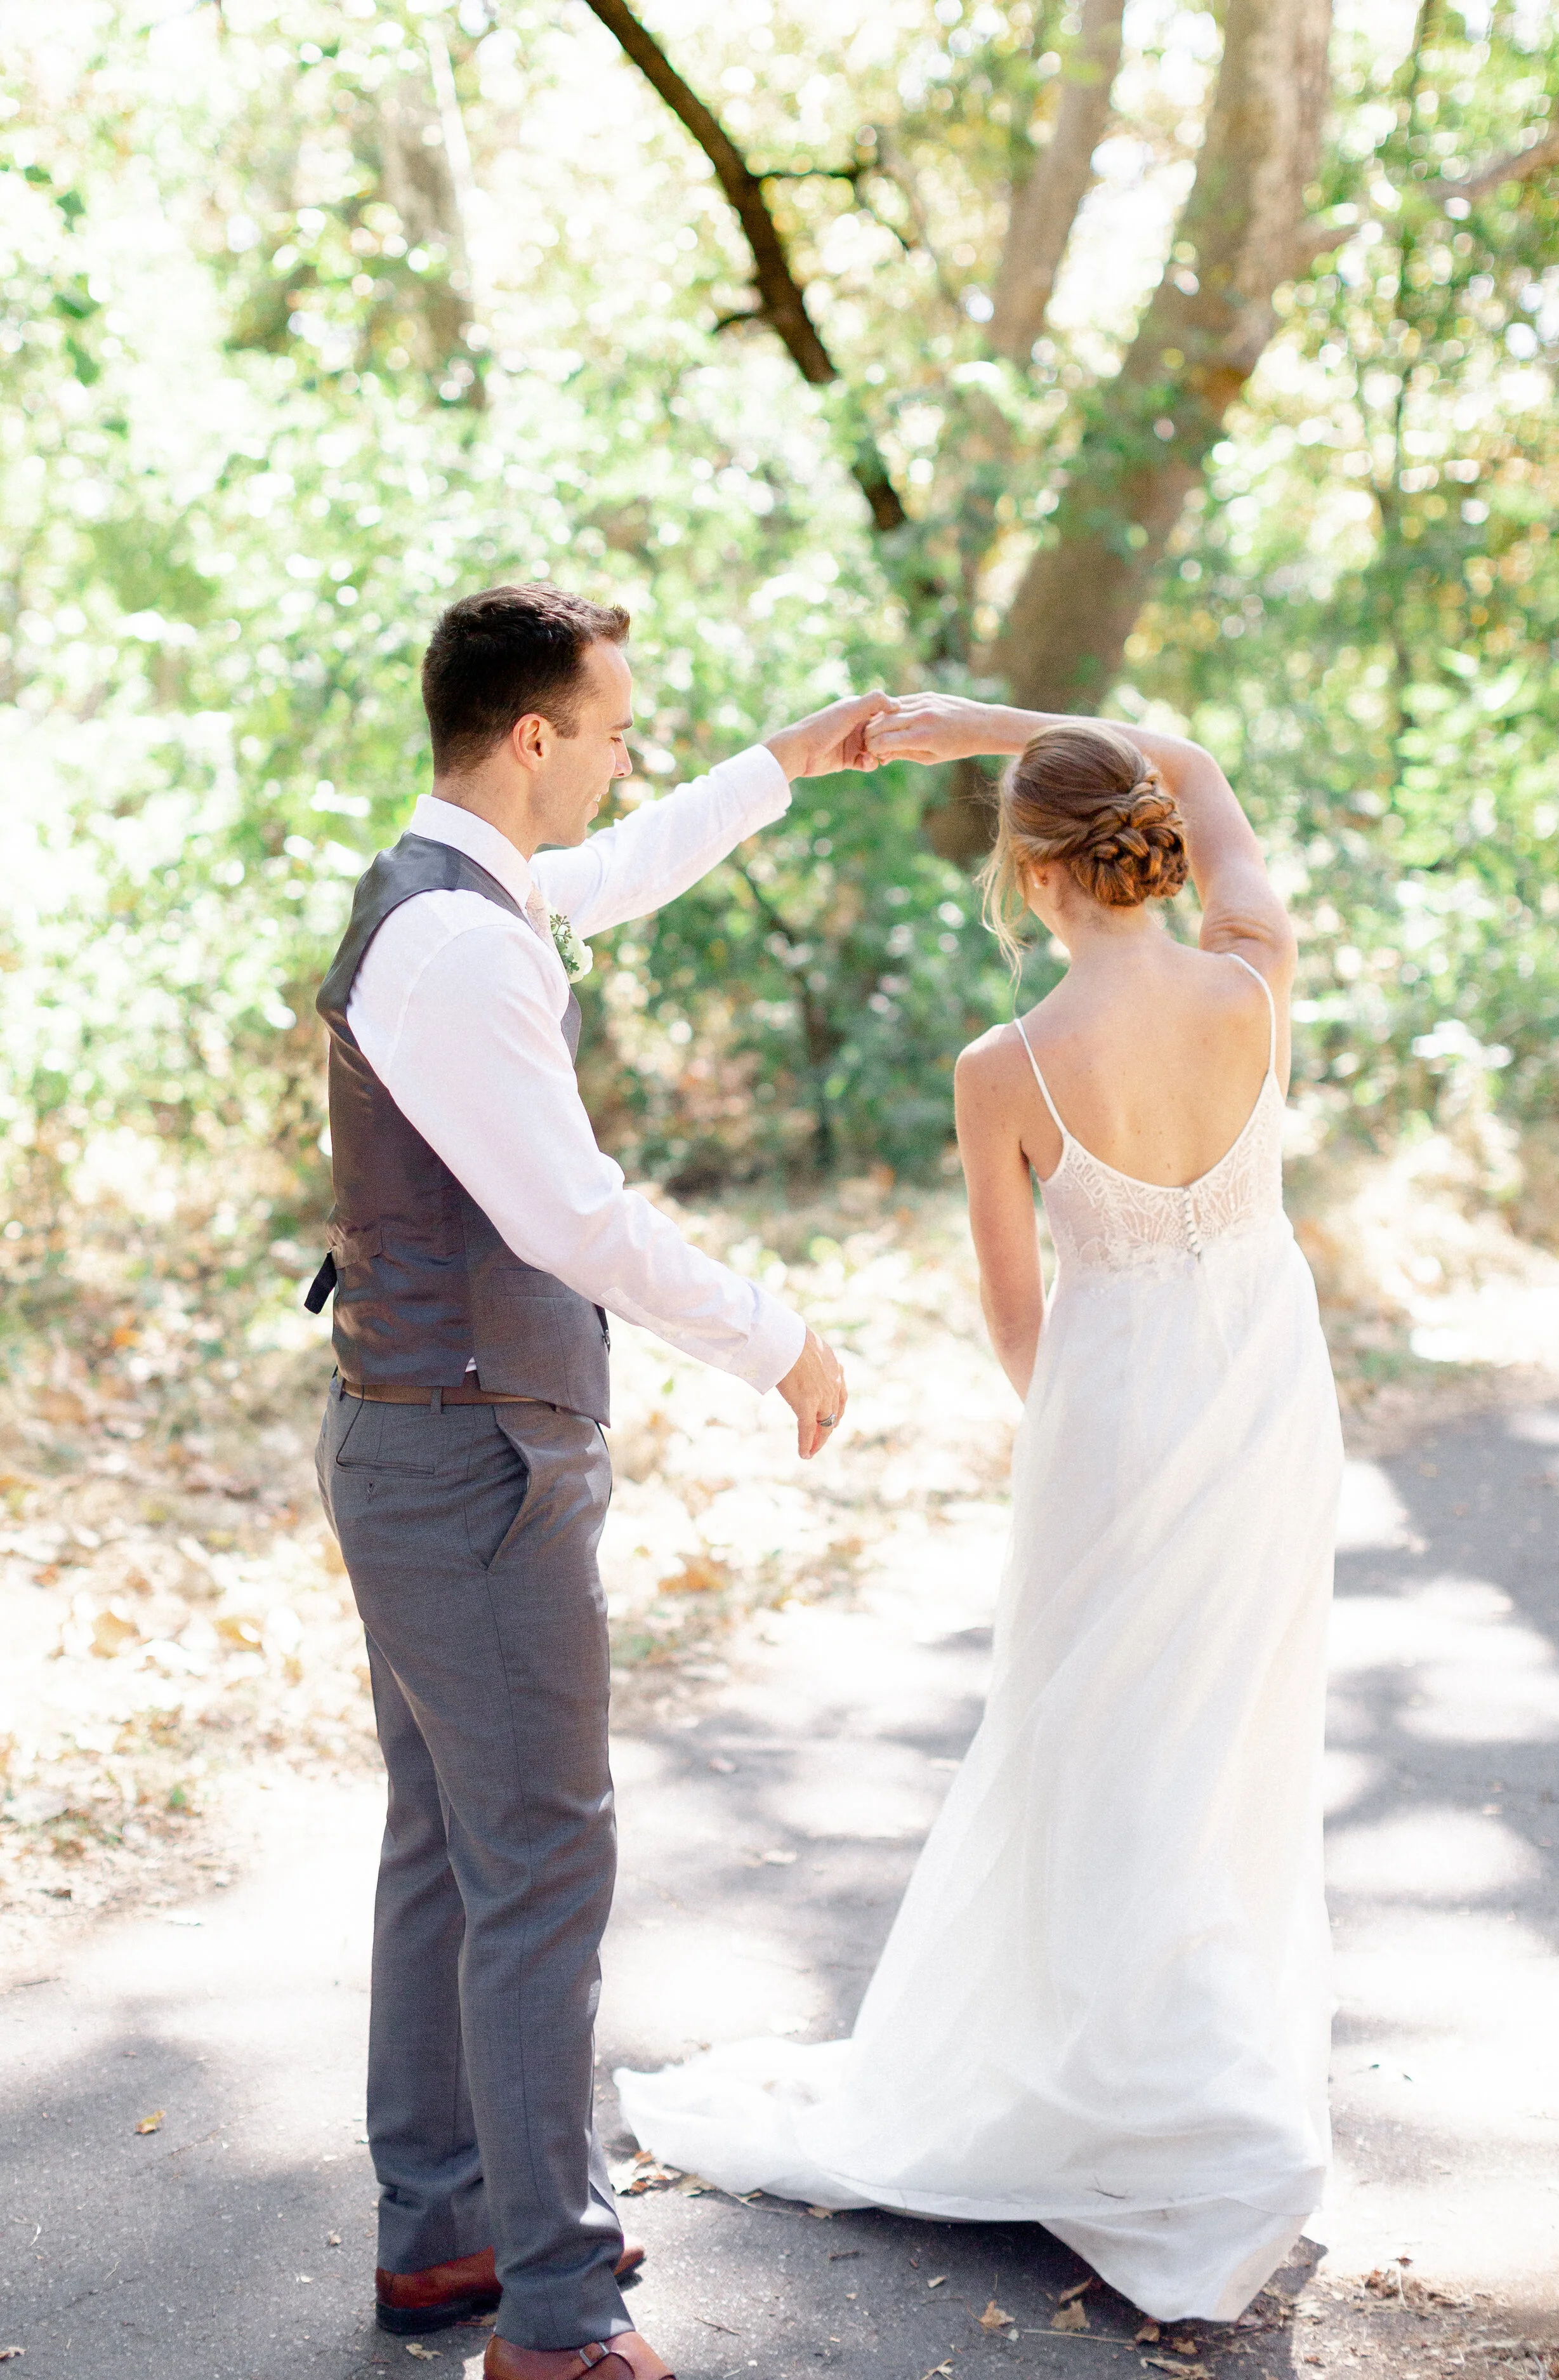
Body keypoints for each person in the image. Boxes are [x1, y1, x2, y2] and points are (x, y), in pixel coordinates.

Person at [616, 695, 1343, 2326]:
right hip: (1269, 1403)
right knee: (1231, 1734)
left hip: (1112, 1415)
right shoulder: (1251, 976)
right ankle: (1207, 2092)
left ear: (1027, 879)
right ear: (1136, 840)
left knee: (1089, 1739)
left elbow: (1018, 1318)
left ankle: (1102, 2084)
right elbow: (1206, 759)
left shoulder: (1002, 1066)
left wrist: (1089, 1440)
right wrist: (984, 725)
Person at [312, 580, 882, 2380]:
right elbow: (571, 1216)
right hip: (473, 1456)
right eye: (613, 721)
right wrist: (781, 1335)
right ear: (531, 733)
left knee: (450, 1851)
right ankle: (554, 2312)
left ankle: (445, 2240)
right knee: (542, 1861)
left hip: (428, 1439)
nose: (627, 747)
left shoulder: (455, 890)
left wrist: (788, 761)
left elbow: (622, 861)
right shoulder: (462, 941)